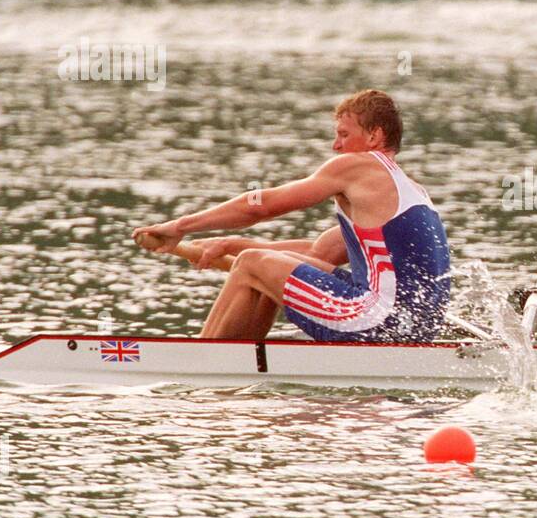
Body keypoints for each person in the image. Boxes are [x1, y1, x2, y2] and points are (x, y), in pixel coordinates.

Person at [133, 89, 450, 341]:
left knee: (251, 264)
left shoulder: (357, 167)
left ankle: (199, 363)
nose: (335, 145)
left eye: (343, 134)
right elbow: (318, 252)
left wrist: (181, 226)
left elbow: (261, 205)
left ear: (373, 137)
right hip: (414, 329)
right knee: (266, 265)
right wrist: (230, 244)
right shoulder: (411, 191)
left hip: (378, 321)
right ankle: (239, 360)